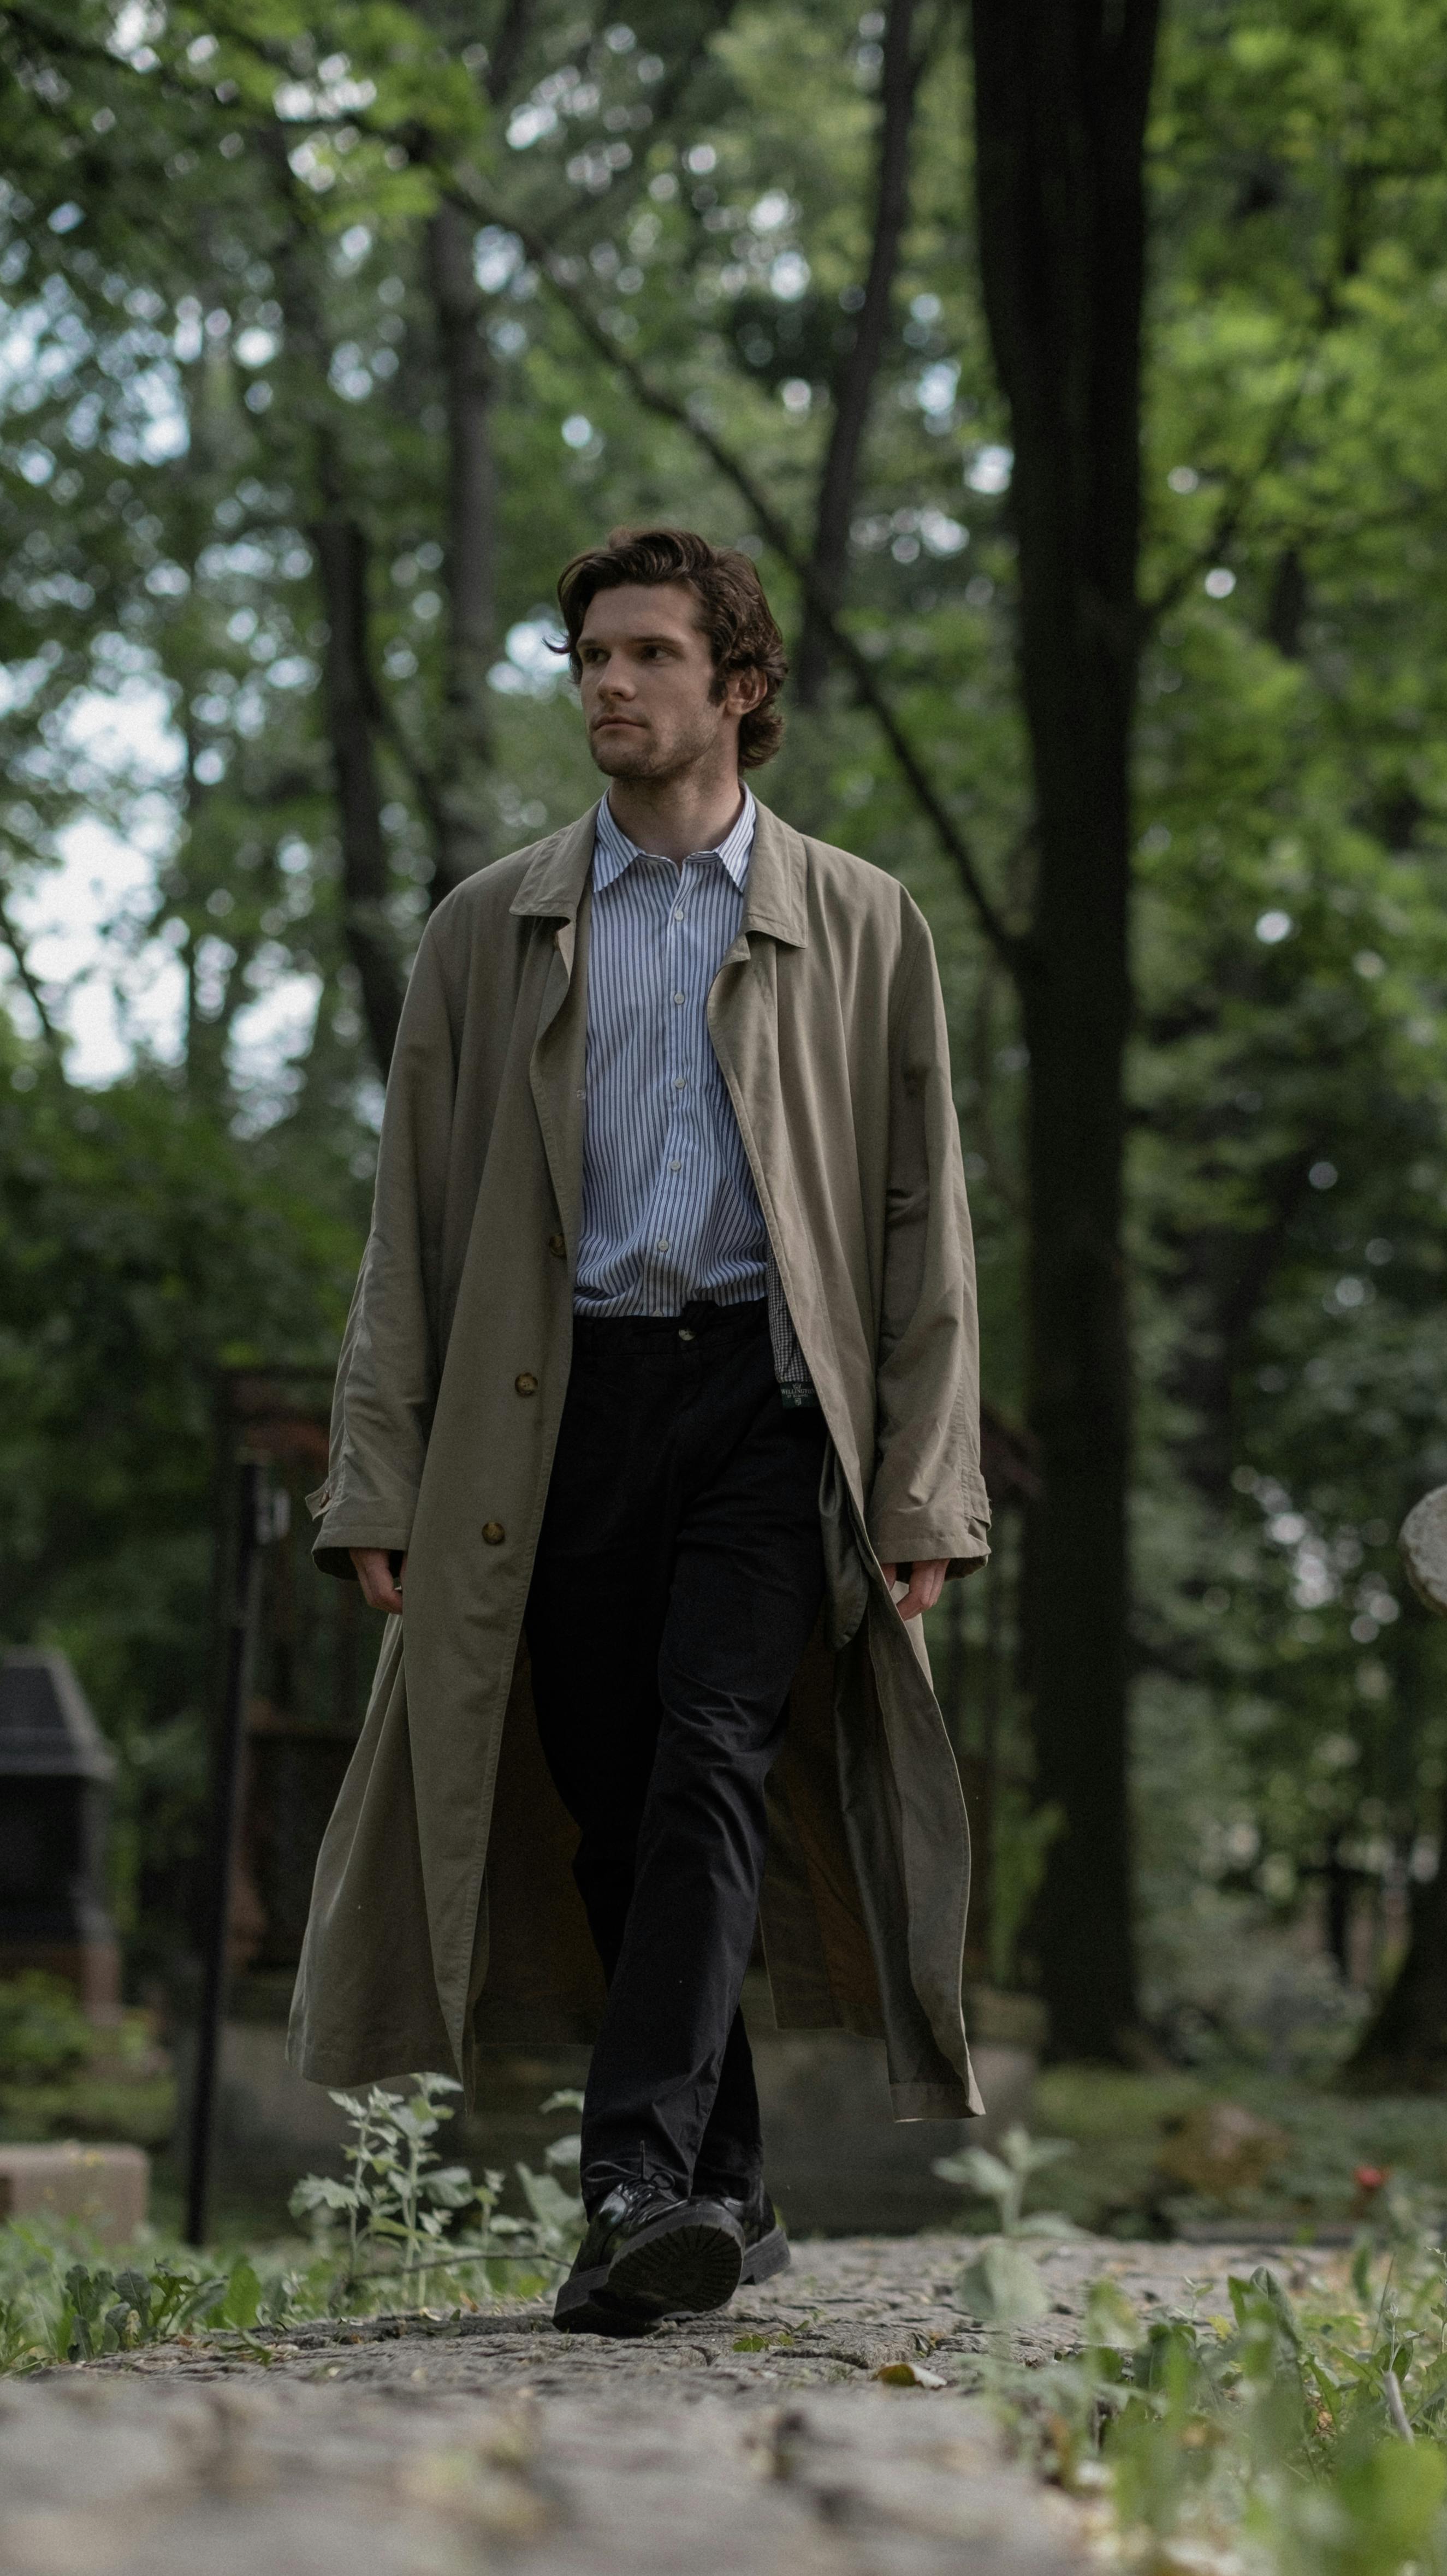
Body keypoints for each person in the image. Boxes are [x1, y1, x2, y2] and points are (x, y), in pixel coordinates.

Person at [292, 524, 988, 2337]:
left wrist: (923, 1487)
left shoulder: (860, 924)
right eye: (592, 655)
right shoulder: (492, 926)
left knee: (709, 1755)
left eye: (651, 655)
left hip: (764, 1405)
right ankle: (727, 2192)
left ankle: (626, 2187)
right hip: (555, 1414)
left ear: (738, 688)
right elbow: (413, 1223)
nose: (611, 683)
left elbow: (925, 1223)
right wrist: (380, 1462)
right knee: (608, 1808)